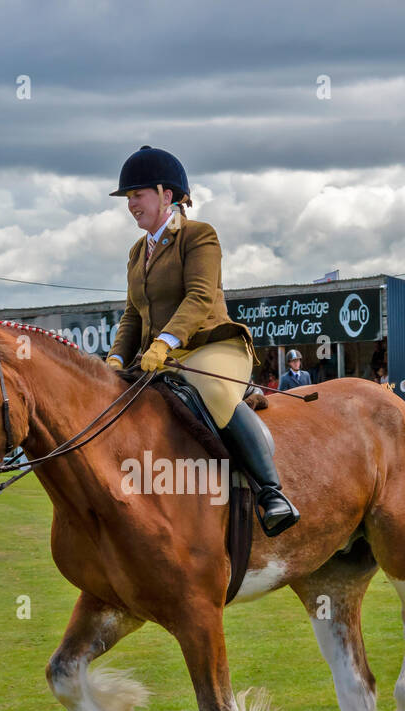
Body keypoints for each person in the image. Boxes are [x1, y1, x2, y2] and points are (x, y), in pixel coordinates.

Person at [104, 145, 298, 534]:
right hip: (158, 356)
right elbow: (131, 314)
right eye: (128, 197)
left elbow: (200, 296)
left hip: (213, 346)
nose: (131, 204)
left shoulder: (199, 236)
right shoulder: (136, 252)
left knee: (211, 389)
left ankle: (271, 491)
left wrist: (164, 342)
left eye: (137, 195)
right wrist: (113, 360)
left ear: (166, 195)